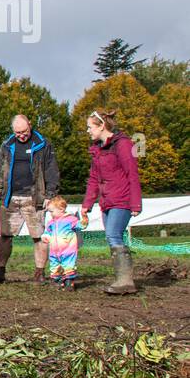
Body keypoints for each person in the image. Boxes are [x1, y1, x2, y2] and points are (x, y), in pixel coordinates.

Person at [0, 114, 60, 284]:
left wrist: (50, 195)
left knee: (39, 236)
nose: (21, 135)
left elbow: (52, 170)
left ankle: (39, 272)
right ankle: (0, 270)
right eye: (17, 133)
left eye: (24, 131)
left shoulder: (43, 144)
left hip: (35, 197)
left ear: (30, 125)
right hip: (10, 198)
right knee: (5, 235)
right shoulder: (7, 145)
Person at [81, 109, 142, 295]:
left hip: (121, 199)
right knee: (112, 236)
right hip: (107, 201)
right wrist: (87, 204)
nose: (88, 131)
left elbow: (132, 173)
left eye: (90, 127)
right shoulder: (98, 149)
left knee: (113, 235)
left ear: (101, 126)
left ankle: (125, 280)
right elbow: (93, 179)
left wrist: (136, 203)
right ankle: (123, 278)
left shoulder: (123, 145)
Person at [42, 195, 82, 291]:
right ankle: (56, 280)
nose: (50, 214)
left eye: (52, 211)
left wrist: (84, 218)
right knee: (54, 265)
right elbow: (47, 231)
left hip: (68, 249)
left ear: (61, 209)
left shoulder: (71, 220)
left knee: (69, 265)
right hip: (54, 250)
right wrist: (45, 236)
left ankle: (69, 281)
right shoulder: (51, 222)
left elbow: (81, 225)